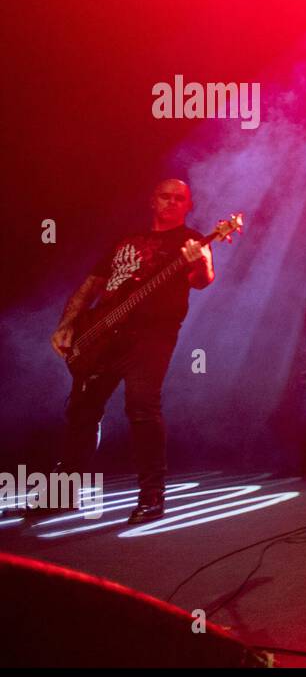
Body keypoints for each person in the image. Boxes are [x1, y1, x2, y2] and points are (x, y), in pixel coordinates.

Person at [44, 178, 214, 525]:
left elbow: (202, 280)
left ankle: (152, 497)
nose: (171, 202)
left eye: (179, 199)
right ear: (153, 200)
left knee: (141, 406)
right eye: (165, 196)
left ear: (188, 205)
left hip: (152, 337)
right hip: (105, 334)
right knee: (82, 410)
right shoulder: (125, 241)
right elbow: (90, 286)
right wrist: (66, 325)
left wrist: (200, 262)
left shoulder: (191, 241)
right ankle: (63, 492)